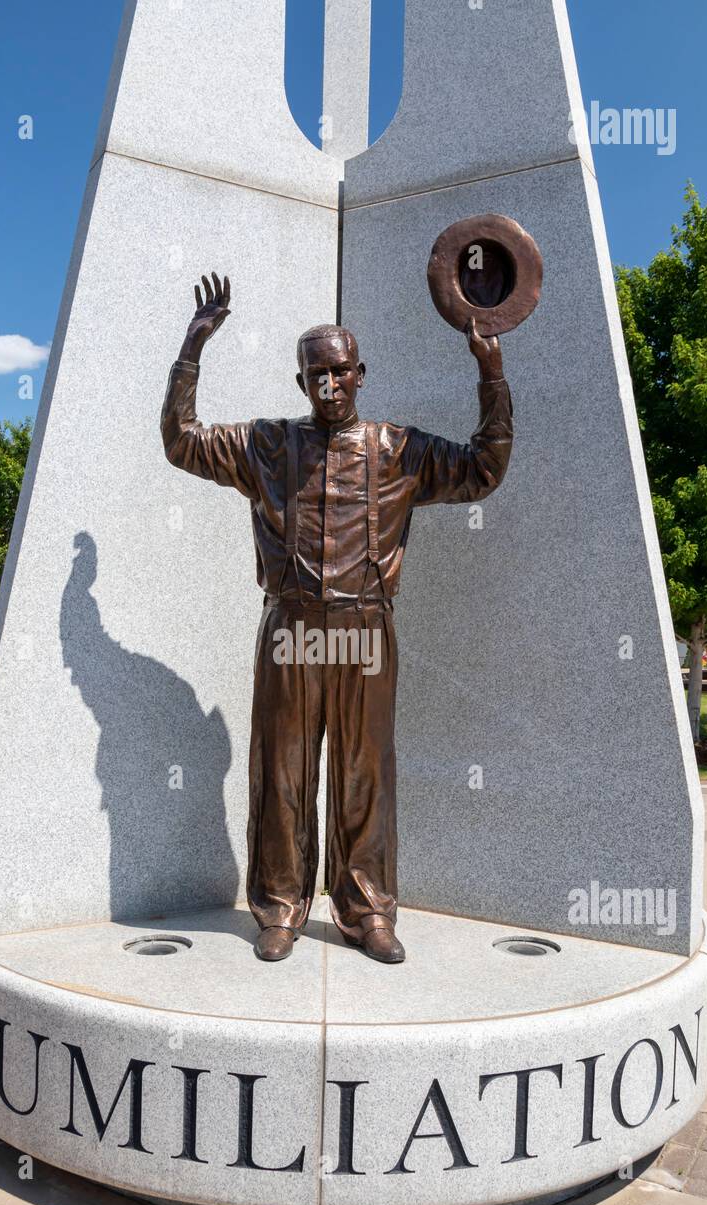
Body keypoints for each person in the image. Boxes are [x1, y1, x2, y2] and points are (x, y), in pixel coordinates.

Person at [162, 273, 513, 964]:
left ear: (360, 374)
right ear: (302, 383)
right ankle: (281, 906)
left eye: (340, 371)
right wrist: (192, 347)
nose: (330, 383)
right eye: (316, 373)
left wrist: (491, 372)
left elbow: (484, 468)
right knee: (284, 770)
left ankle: (366, 911)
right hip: (290, 628)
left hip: (366, 632)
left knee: (364, 773)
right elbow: (182, 441)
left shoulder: (400, 449)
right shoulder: (266, 446)